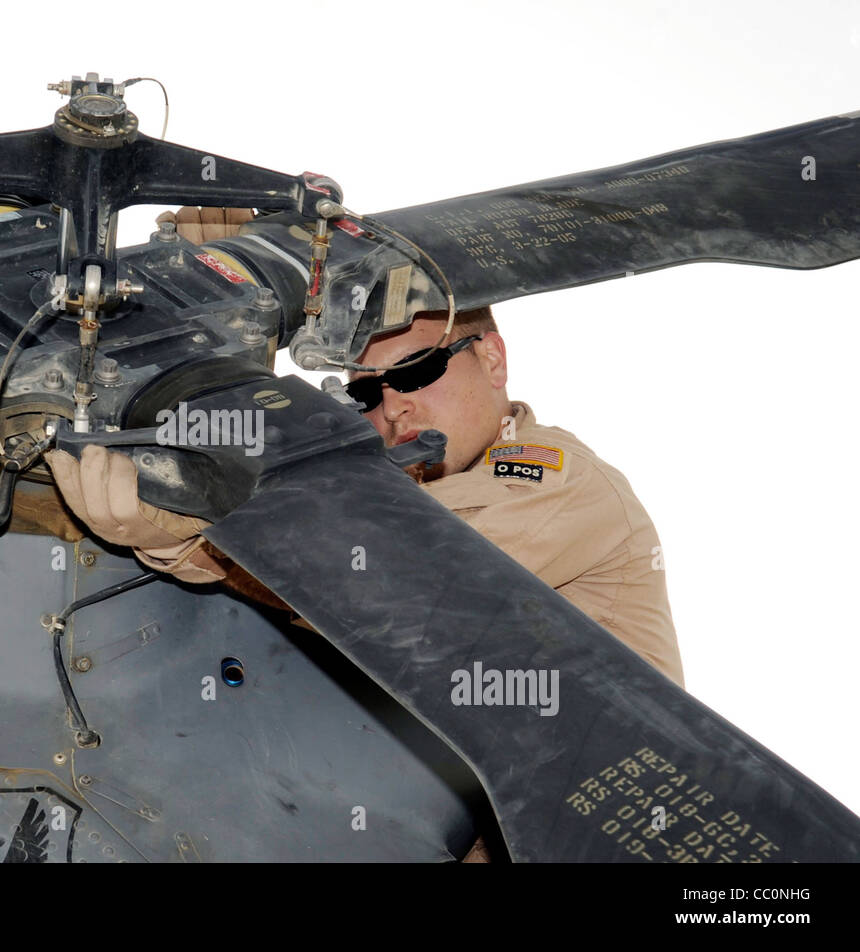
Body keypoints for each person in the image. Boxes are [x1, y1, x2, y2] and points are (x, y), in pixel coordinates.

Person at [44, 207, 684, 859]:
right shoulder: (396, 491)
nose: (393, 407)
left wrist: (184, 529)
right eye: (366, 395)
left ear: (492, 358)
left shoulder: (557, 478)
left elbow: (388, 582)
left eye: (413, 373)